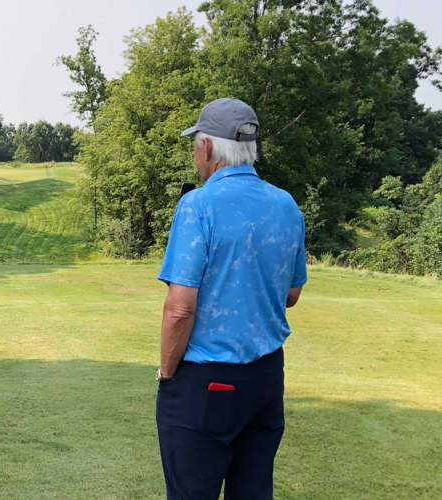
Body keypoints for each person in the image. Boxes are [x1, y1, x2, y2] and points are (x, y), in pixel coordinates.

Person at [155, 98, 307, 499]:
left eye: (195, 145)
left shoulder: (198, 205)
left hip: (207, 381)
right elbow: (291, 293)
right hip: (266, 379)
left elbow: (180, 308)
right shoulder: (286, 204)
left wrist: (168, 374)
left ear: (207, 147)